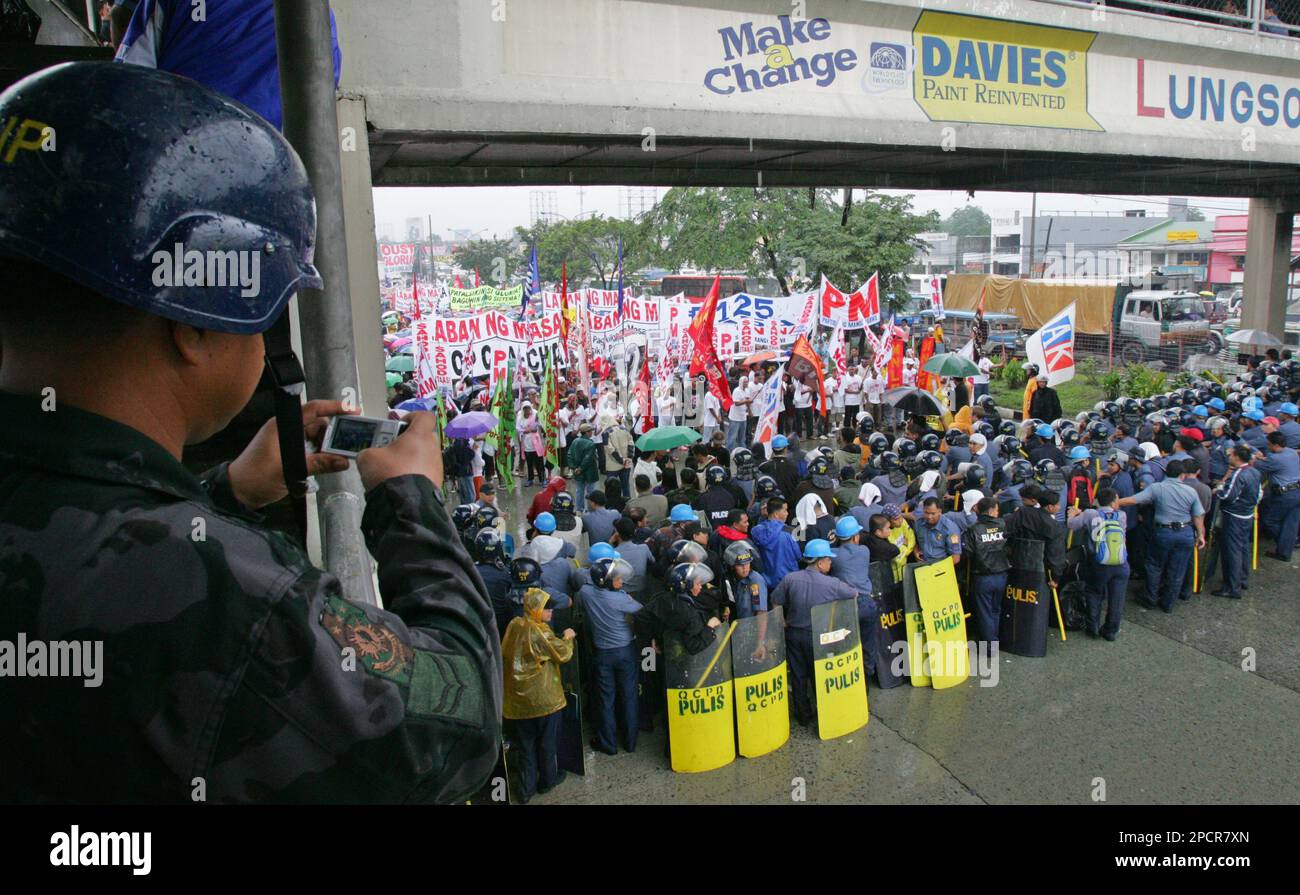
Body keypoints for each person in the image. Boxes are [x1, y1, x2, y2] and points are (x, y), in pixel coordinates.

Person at [0, 63, 500, 804]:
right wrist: (413, 500)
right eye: (268, 313)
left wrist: (224, 496)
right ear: (198, 324)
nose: (269, 345)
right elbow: (457, 718)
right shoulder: (237, 605)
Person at [770, 540, 860, 728]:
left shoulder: (790, 579)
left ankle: (803, 716)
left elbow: (775, 601)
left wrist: (783, 622)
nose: (831, 564)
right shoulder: (832, 584)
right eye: (828, 560)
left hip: (794, 635)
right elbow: (854, 594)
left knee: (798, 676)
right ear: (819, 562)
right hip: (818, 637)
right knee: (820, 675)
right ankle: (826, 714)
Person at [501, 589, 576, 803]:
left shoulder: (515, 624)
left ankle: (525, 790)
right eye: (546, 608)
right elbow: (562, 654)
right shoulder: (540, 632)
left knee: (525, 746)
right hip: (544, 700)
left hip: (518, 701)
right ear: (536, 610)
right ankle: (548, 780)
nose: (551, 611)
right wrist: (568, 638)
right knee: (547, 743)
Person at [1118, 459, 1206, 613]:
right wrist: (1200, 535)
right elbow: (1198, 515)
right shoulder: (1191, 492)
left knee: (1154, 566)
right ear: (1182, 475)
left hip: (1163, 532)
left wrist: (1114, 502)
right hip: (1185, 533)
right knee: (1177, 570)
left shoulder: (1157, 488)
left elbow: (1133, 500)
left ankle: (1150, 598)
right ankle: (1168, 603)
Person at [578, 557, 643, 756]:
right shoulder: (620, 599)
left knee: (605, 699)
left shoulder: (585, 593)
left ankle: (608, 743)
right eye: (617, 579)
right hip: (625, 651)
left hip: (602, 653)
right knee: (629, 696)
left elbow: (581, 578)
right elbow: (641, 610)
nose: (621, 581)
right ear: (605, 581)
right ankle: (631, 742)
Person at [1067, 488, 1129, 641]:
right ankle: (1110, 631)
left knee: (1094, 593)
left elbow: (1072, 525)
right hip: (1121, 563)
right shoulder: (1122, 515)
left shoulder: (1090, 514)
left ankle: (1092, 627)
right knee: (1117, 598)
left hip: (1099, 562)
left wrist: (1073, 514)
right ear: (1114, 501)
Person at [828, 516, 879, 676]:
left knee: (845, 645)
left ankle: (850, 677)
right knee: (868, 644)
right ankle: (867, 676)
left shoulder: (834, 555)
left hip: (845, 604)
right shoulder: (865, 551)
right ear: (856, 537)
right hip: (866, 601)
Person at [1211, 446, 1261, 599]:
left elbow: (1228, 496)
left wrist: (1217, 490)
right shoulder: (1254, 471)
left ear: (1237, 457)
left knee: (1232, 552)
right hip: (1247, 515)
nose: (1229, 457)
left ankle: (1232, 587)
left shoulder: (1239, 474)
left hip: (1234, 517)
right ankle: (1242, 579)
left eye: (1231, 455)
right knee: (1243, 548)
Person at [962, 497, 1010, 645]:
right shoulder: (1003, 525)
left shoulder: (973, 529)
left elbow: (967, 553)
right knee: (996, 609)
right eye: (996, 509)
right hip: (1002, 574)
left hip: (982, 576)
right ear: (991, 511)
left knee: (985, 612)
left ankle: (990, 644)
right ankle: (994, 639)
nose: (997, 512)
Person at [1255, 431, 1300, 562]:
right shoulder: (1291, 452)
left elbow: (1258, 466)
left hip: (1285, 495)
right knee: (1290, 523)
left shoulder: (1275, 459)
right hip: (1297, 491)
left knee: (1270, 520)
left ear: (1274, 445)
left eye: (1268, 444)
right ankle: (1285, 550)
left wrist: (1254, 458)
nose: (1267, 446)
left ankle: (1287, 544)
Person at [751, 498, 802, 589]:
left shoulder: (756, 531)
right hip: (789, 580)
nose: (787, 513)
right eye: (785, 510)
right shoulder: (790, 532)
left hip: (767, 581)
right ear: (776, 514)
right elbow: (798, 556)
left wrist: (762, 517)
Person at [611, 517, 655, 599]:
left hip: (621, 592)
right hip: (641, 590)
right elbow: (653, 561)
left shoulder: (613, 553)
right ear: (634, 531)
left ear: (617, 534)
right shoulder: (644, 548)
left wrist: (609, 542)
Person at [914, 497, 963, 565]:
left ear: (940, 511)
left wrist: (936, 569)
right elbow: (916, 541)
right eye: (926, 513)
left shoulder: (951, 529)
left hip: (941, 566)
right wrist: (915, 550)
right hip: (922, 563)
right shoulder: (918, 524)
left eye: (933, 513)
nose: (929, 517)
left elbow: (955, 558)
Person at [565, 422, 601, 511]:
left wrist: (574, 468)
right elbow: (587, 459)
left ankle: (579, 510)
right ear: (587, 432)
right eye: (590, 431)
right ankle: (590, 510)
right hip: (589, 472)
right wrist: (580, 468)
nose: (592, 432)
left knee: (579, 491)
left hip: (577, 471)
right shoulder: (590, 444)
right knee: (591, 492)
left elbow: (569, 455)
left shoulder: (575, 441)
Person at [760, 435, 801, 502]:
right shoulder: (793, 466)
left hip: (771, 505)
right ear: (786, 448)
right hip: (790, 504)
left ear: (772, 449)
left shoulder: (764, 467)